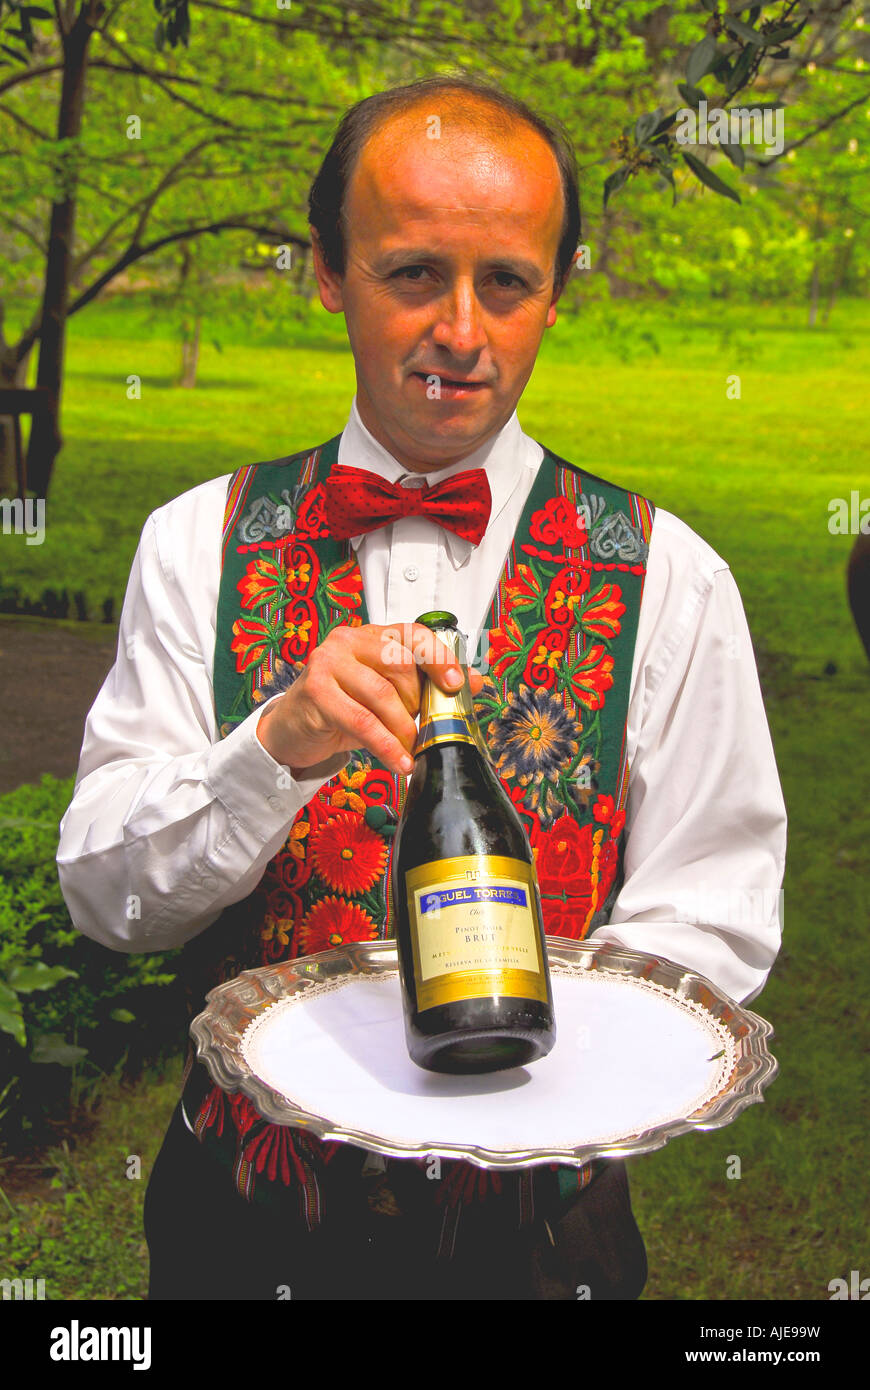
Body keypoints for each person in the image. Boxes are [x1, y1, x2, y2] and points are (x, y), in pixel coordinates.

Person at [56, 74, 787, 1302]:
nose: (461, 328)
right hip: (242, 1222)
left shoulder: (673, 577)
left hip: (546, 1245)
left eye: (505, 281)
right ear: (329, 272)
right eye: (411, 274)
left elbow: (711, 921)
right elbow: (106, 898)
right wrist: (268, 751)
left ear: (554, 292)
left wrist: (532, 1086)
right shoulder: (195, 543)